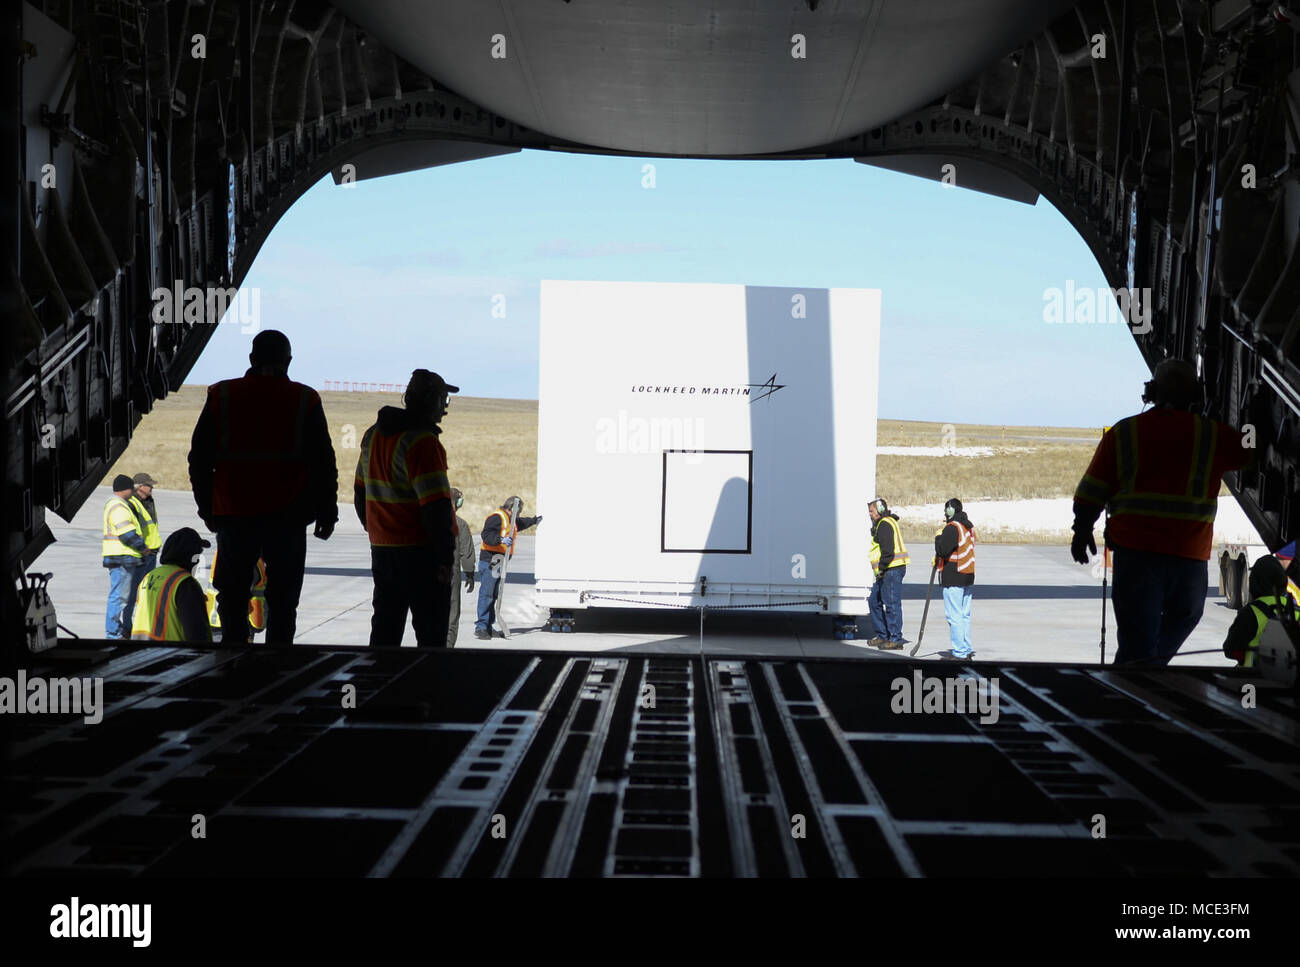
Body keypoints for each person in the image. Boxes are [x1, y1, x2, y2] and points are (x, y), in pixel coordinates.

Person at [1070, 359, 1252, 664]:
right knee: (1185, 617)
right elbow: (1249, 452)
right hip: (1189, 555)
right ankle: (1146, 672)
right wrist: (1250, 418)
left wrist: (1082, 529)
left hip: (1136, 554)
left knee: (1137, 634)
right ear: (1195, 394)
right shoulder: (1213, 435)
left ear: (1151, 391)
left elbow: (1092, 488)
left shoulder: (1125, 432)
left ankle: (1135, 680)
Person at [188, 329, 338, 644]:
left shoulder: (222, 395)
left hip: (234, 513)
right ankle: (278, 662)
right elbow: (324, 463)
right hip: (288, 516)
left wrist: (207, 507)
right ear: (288, 360)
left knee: (233, 594)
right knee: (284, 600)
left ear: (252, 359)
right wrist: (327, 512)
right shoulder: (305, 399)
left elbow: (199, 459)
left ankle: (233, 659)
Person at [354, 369, 459, 647]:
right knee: (431, 636)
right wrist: (445, 559)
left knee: (385, 633)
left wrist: (378, 531)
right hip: (420, 555)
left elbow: (360, 493)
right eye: (443, 400)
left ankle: (378, 685)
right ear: (432, 401)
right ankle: (427, 689)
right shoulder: (423, 443)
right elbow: (435, 508)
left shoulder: (373, 436)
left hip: (383, 552)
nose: (445, 408)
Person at [474, 497, 542, 640]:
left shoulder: (509, 519)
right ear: (512, 509)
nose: (518, 516)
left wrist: (535, 520)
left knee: (493, 595)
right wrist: (500, 540)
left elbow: (521, 523)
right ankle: (481, 627)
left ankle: (488, 625)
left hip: (499, 562)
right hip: (490, 561)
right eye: (518, 512)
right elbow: (486, 535)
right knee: (487, 594)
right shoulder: (496, 517)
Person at [130, 528, 213, 643]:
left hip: (141, 651)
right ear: (189, 556)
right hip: (172, 654)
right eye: (197, 555)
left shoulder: (150, 576)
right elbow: (196, 634)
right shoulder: (184, 583)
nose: (198, 561)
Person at [1221, 556, 1300, 668]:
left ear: (1254, 582)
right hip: (1290, 680)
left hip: (1253, 679)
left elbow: (1230, 650)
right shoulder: (1296, 612)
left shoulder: (1250, 613)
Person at [102, 474, 148, 638]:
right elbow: (126, 534)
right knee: (119, 596)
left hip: (121, 557)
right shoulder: (118, 506)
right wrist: (142, 548)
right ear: (126, 489)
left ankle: (115, 629)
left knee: (120, 596)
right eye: (131, 489)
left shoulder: (118, 504)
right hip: (121, 557)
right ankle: (113, 632)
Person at [934, 497, 976, 660]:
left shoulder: (953, 528)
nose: (945, 513)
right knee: (964, 615)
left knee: (954, 615)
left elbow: (943, 550)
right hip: (967, 575)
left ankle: (959, 652)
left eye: (946, 509)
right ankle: (965, 648)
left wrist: (938, 537)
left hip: (954, 576)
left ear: (951, 510)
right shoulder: (967, 527)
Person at [866, 497, 909, 649]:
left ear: (880, 510)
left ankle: (895, 639)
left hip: (891, 569)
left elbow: (888, 552)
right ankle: (883, 635)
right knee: (874, 601)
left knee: (891, 604)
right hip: (887, 570)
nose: (870, 514)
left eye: (871, 511)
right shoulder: (885, 522)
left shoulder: (884, 524)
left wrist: (882, 568)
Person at [448, 487, 476, 647]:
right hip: (452, 573)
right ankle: (448, 647)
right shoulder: (460, 524)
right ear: (458, 502)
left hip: (429, 572)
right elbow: (466, 552)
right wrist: (470, 574)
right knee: (452, 613)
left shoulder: (427, 521)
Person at [129, 473, 162, 574]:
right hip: (142, 554)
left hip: (152, 553)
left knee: (146, 587)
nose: (152, 487)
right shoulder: (132, 503)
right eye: (149, 485)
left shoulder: (148, 501)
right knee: (136, 586)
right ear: (140, 486)